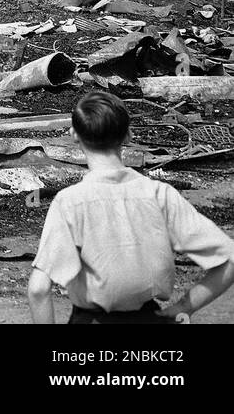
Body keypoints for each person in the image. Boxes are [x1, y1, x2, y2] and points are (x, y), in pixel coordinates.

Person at [29, 90, 234, 324]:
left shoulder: (70, 202)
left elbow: (38, 289)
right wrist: (184, 306)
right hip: (150, 319)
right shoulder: (160, 194)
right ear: (128, 135)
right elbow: (229, 258)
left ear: (74, 134)